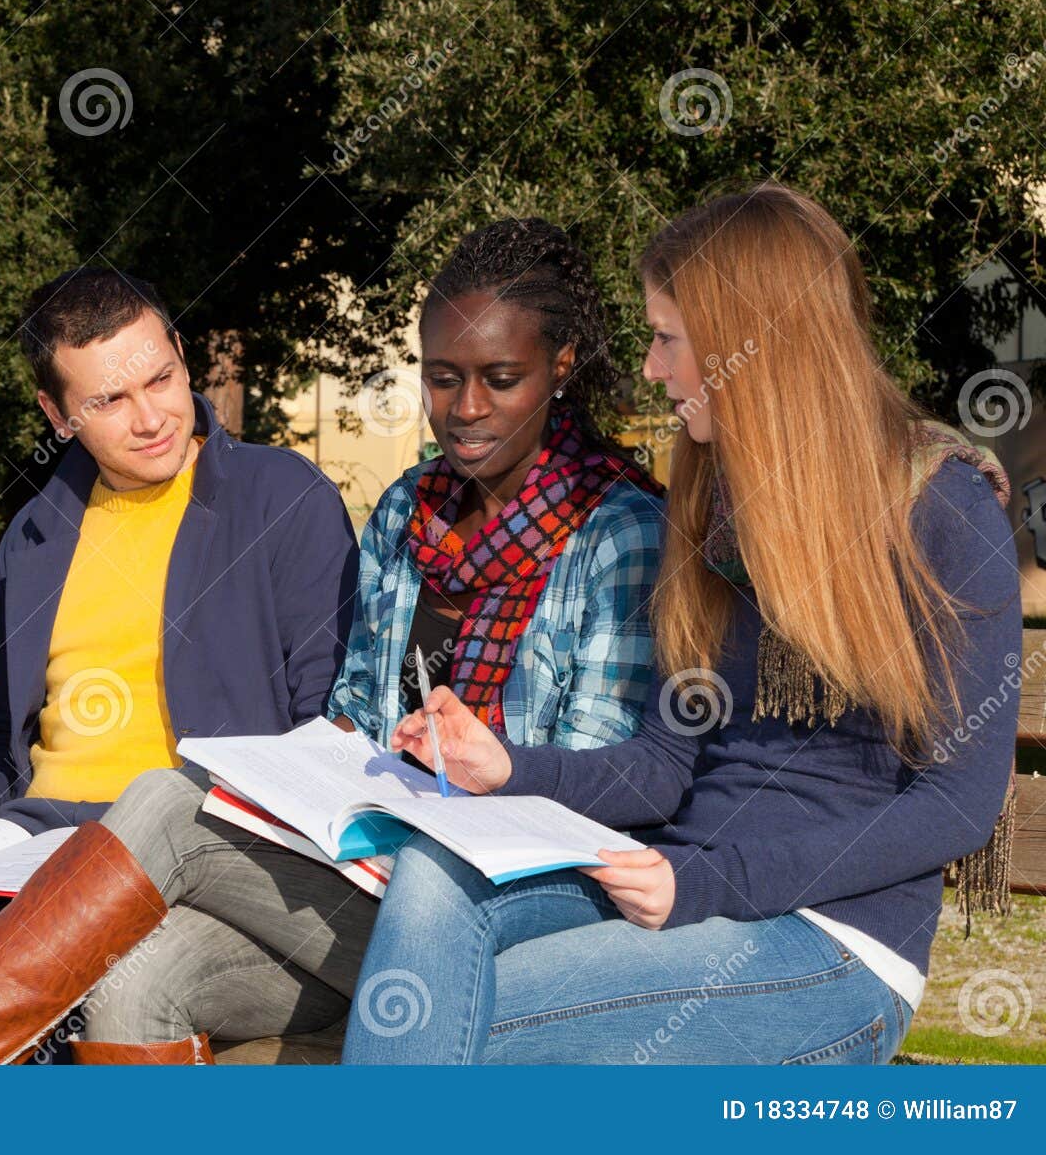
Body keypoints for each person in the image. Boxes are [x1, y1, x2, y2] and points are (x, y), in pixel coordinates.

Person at [0, 219, 665, 1065]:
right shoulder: (408, 512)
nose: (466, 408)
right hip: (368, 879)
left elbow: (591, 789)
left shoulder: (619, 533)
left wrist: (487, 770)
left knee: (165, 799)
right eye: (443, 378)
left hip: (505, 905)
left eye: (500, 378)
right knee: (136, 984)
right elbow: (345, 721)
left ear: (560, 368)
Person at [342, 183, 1020, 1064]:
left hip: (832, 943)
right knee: (435, 873)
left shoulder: (940, 504)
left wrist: (706, 881)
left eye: (668, 339)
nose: (654, 369)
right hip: (679, 878)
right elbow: (665, 764)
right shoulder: (718, 492)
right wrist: (503, 765)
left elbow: (956, 807)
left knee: (438, 1022)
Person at [0, 267, 359, 1063]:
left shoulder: (280, 497)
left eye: (161, 378)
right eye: (107, 401)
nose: (152, 415)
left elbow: (326, 721)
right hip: (37, 837)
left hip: (204, 839)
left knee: (78, 953)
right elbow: (8, 733)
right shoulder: (36, 533)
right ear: (56, 414)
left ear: (182, 355)